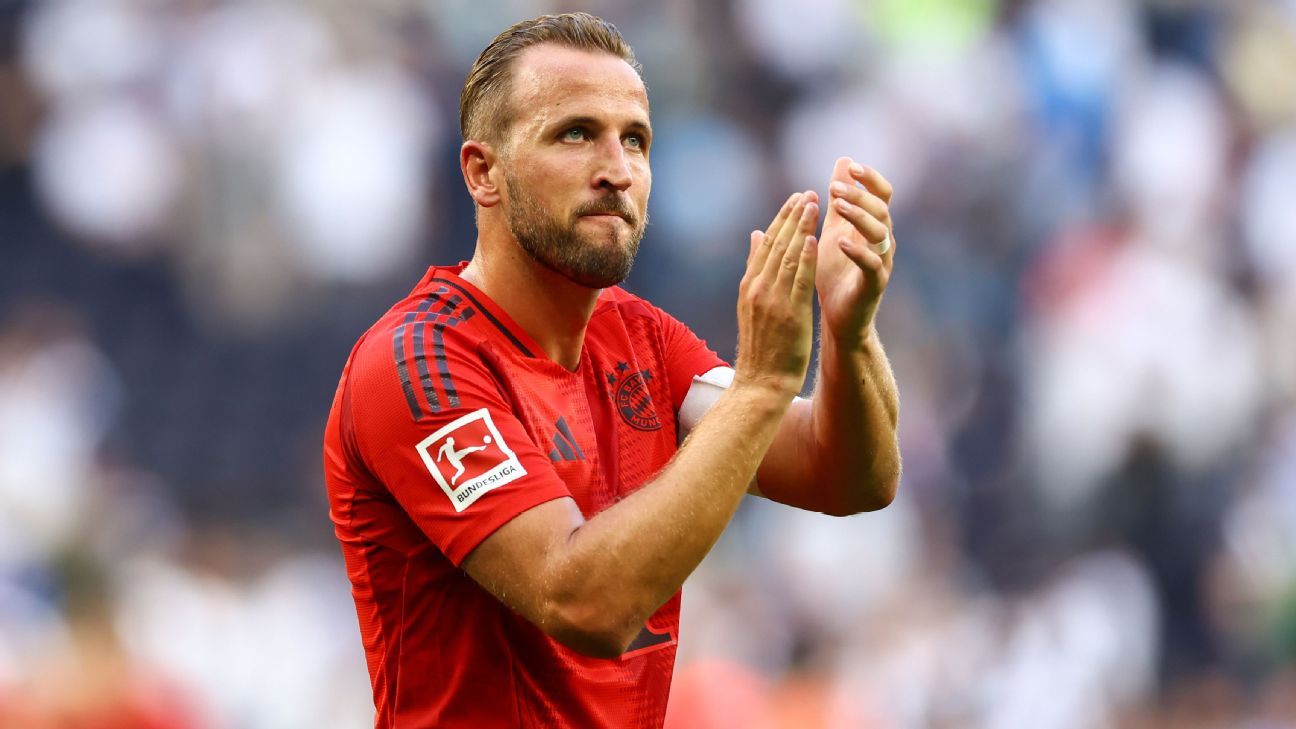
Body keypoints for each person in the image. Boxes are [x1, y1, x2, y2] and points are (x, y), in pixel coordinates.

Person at [322, 12, 900, 728]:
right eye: (575, 134)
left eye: (635, 140)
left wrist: (849, 332)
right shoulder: (418, 363)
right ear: (483, 172)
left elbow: (847, 476)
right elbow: (584, 604)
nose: (618, 170)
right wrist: (759, 387)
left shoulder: (641, 337)